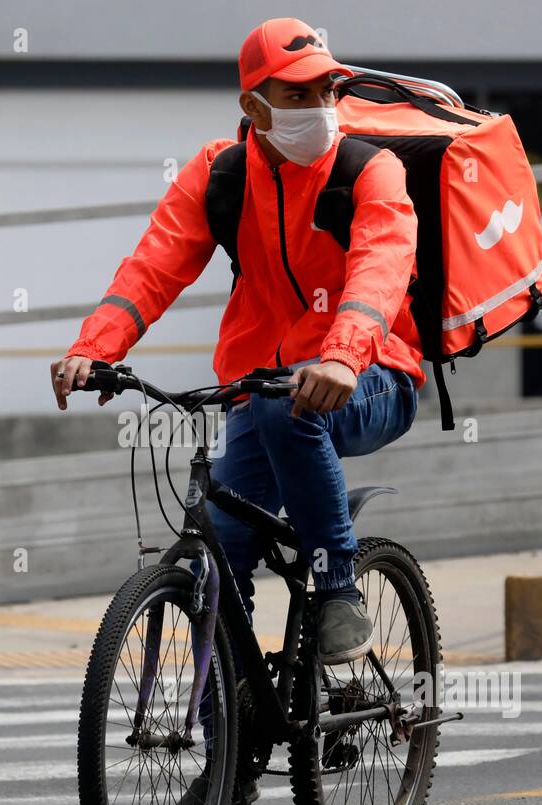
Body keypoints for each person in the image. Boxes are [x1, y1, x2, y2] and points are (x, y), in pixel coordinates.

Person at [51, 17, 422, 666]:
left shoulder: (371, 171)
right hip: (264, 387)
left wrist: (341, 354)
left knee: (287, 409)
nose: (321, 110)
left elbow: (381, 270)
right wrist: (94, 348)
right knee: (215, 557)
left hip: (373, 374)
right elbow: (153, 267)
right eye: (299, 96)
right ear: (254, 106)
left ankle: (338, 590)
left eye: (329, 92)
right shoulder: (221, 175)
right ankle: (240, 732)